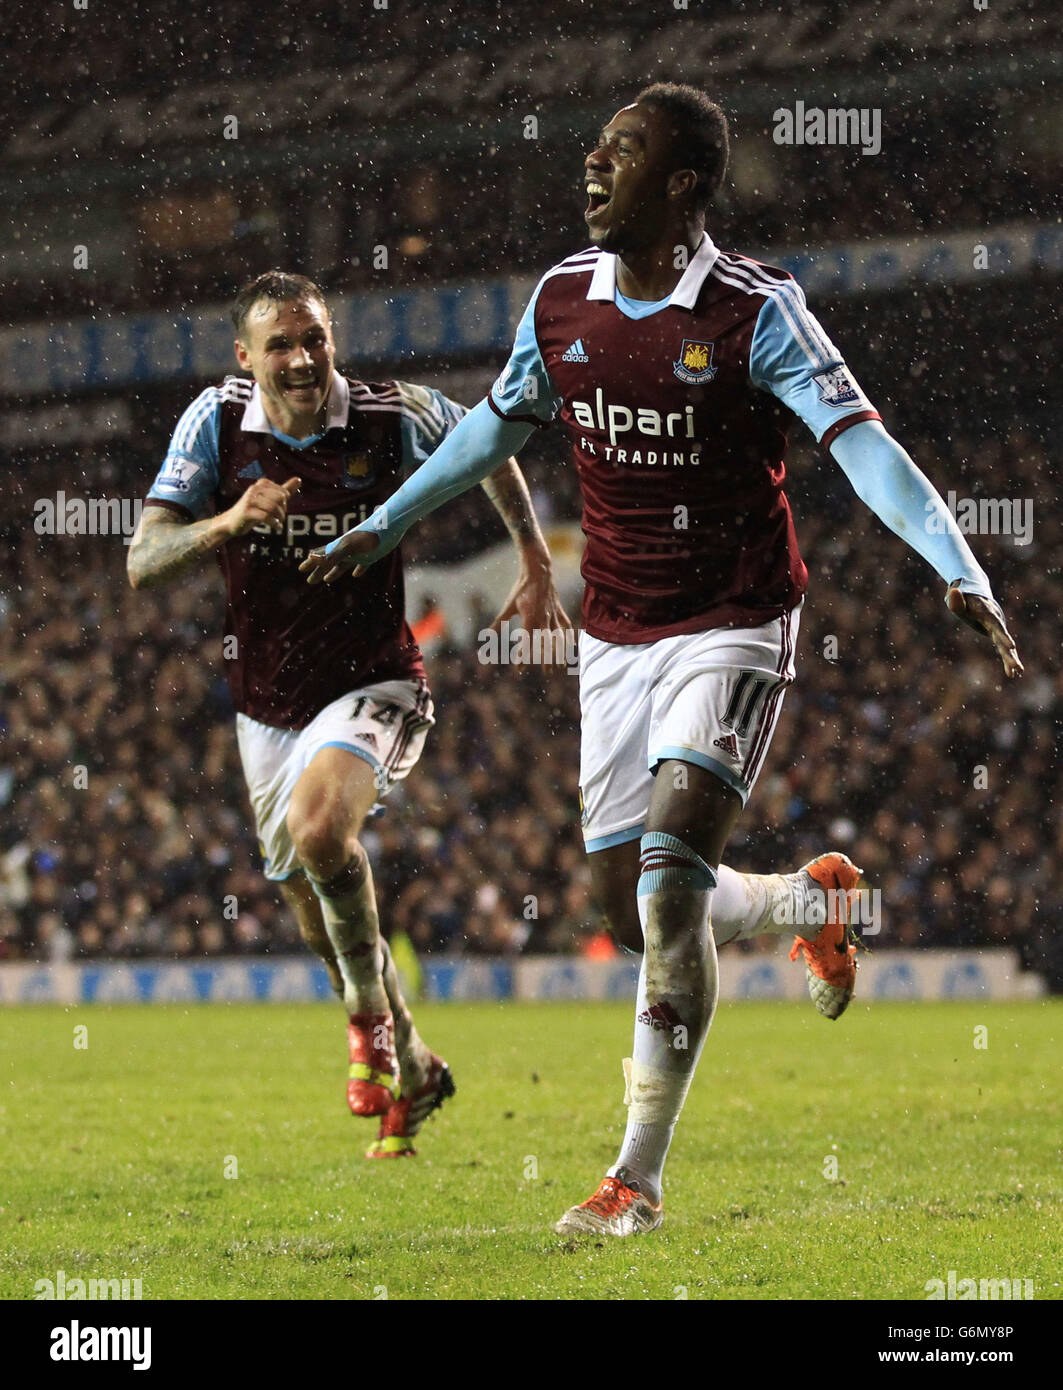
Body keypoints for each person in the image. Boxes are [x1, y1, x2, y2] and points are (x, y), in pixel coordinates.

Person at [301, 84, 1022, 1230]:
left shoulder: (754, 311)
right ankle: (806, 900)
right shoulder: (561, 301)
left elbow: (863, 446)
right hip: (616, 632)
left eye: (622, 151)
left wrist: (958, 562)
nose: (592, 162)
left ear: (683, 184)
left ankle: (633, 1175)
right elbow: (493, 429)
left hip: (734, 617)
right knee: (632, 905)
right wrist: (389, 521)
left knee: (669, 874)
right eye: (593, 145)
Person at [128, 270, 568, 1158]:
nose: (300, 359)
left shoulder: (387, 416)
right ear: (244, 357)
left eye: (314, 338)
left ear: (334, 339)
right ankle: (414, 1058)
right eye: (279, 345)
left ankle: (368, 1025)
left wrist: (532, 553)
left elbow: (492, 441)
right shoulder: (215, 425)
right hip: (264, 708)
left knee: (323, 830)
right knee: (307, 902)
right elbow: (144, 560)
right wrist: (226, 523)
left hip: (375, 680)